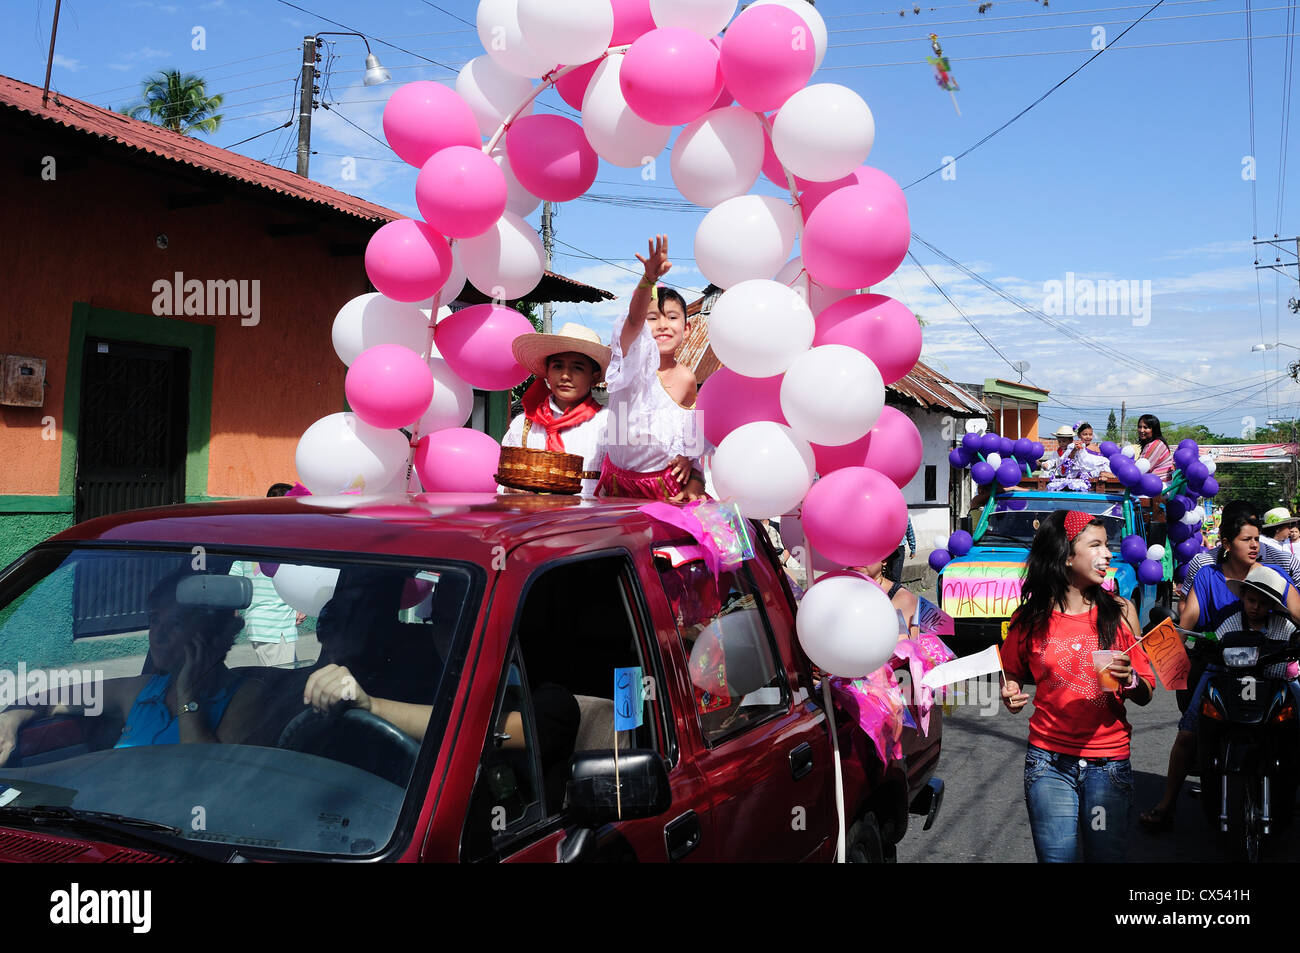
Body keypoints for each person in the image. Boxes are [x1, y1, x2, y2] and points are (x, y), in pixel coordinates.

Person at [1000, 510, 1155, 863]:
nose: (1108, 553)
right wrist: (1010, 691)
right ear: (1067, 555)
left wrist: (1129, 679)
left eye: (1107, 545)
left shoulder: (1119, 612)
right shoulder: (1029, 619)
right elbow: (1010, 670)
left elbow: (1146, 691)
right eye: (1096, 545)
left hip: (1108, 765)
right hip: (1048, 765)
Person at [0, 571, 264, 763]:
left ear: (208, 634)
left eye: (176, 624)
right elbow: (52, 698)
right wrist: (9, 720)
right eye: (154, 620)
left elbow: (204, 778)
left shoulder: (244, 697)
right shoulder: (142, 690)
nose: (157, 635)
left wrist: (187, 696)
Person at [1140, 550, 1300, 832]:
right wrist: (1170, 641)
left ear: (1273, 605)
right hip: (1227, 683)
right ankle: (1167, 804)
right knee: (1189, 728)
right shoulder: (1225, 611)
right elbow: (1210, 636)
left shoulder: (1283, 625)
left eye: (1263, 603)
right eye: (1251, 600)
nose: (1256, 607)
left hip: (1275, 688)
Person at [597, 235, 707, 501]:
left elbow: (693, 442)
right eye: (652, 318)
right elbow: (633, 320)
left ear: (687, 327)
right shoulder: (630, 361)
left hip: (667, 486)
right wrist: (648, 279)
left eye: (672, 317)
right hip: (618, 485)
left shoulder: (687, 378)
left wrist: (692, 471)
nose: (663, 325)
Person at [502, 323, 611, 497]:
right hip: (535, 521)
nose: (565, 376)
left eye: (577, 367)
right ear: (547, 372)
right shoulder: (524, 424)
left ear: (594, 377)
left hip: (591, 522)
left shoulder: (609, 423)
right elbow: (502, 483)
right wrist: (509, 488)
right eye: (558, 366)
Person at [854, 560, 920, 638]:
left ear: (884, 560)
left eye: (865, 552)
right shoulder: (839, 587)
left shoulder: (902, 597)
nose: (856, 558)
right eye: (850, 552)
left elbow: (906, 646)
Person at [885, 516, 917, 586]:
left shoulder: (905, 517)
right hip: (887, 548)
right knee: (887, 575)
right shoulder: (885, 516)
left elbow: (910, 533)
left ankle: (895, 594)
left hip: (899, 548)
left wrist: (913, 549)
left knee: (896, 575)